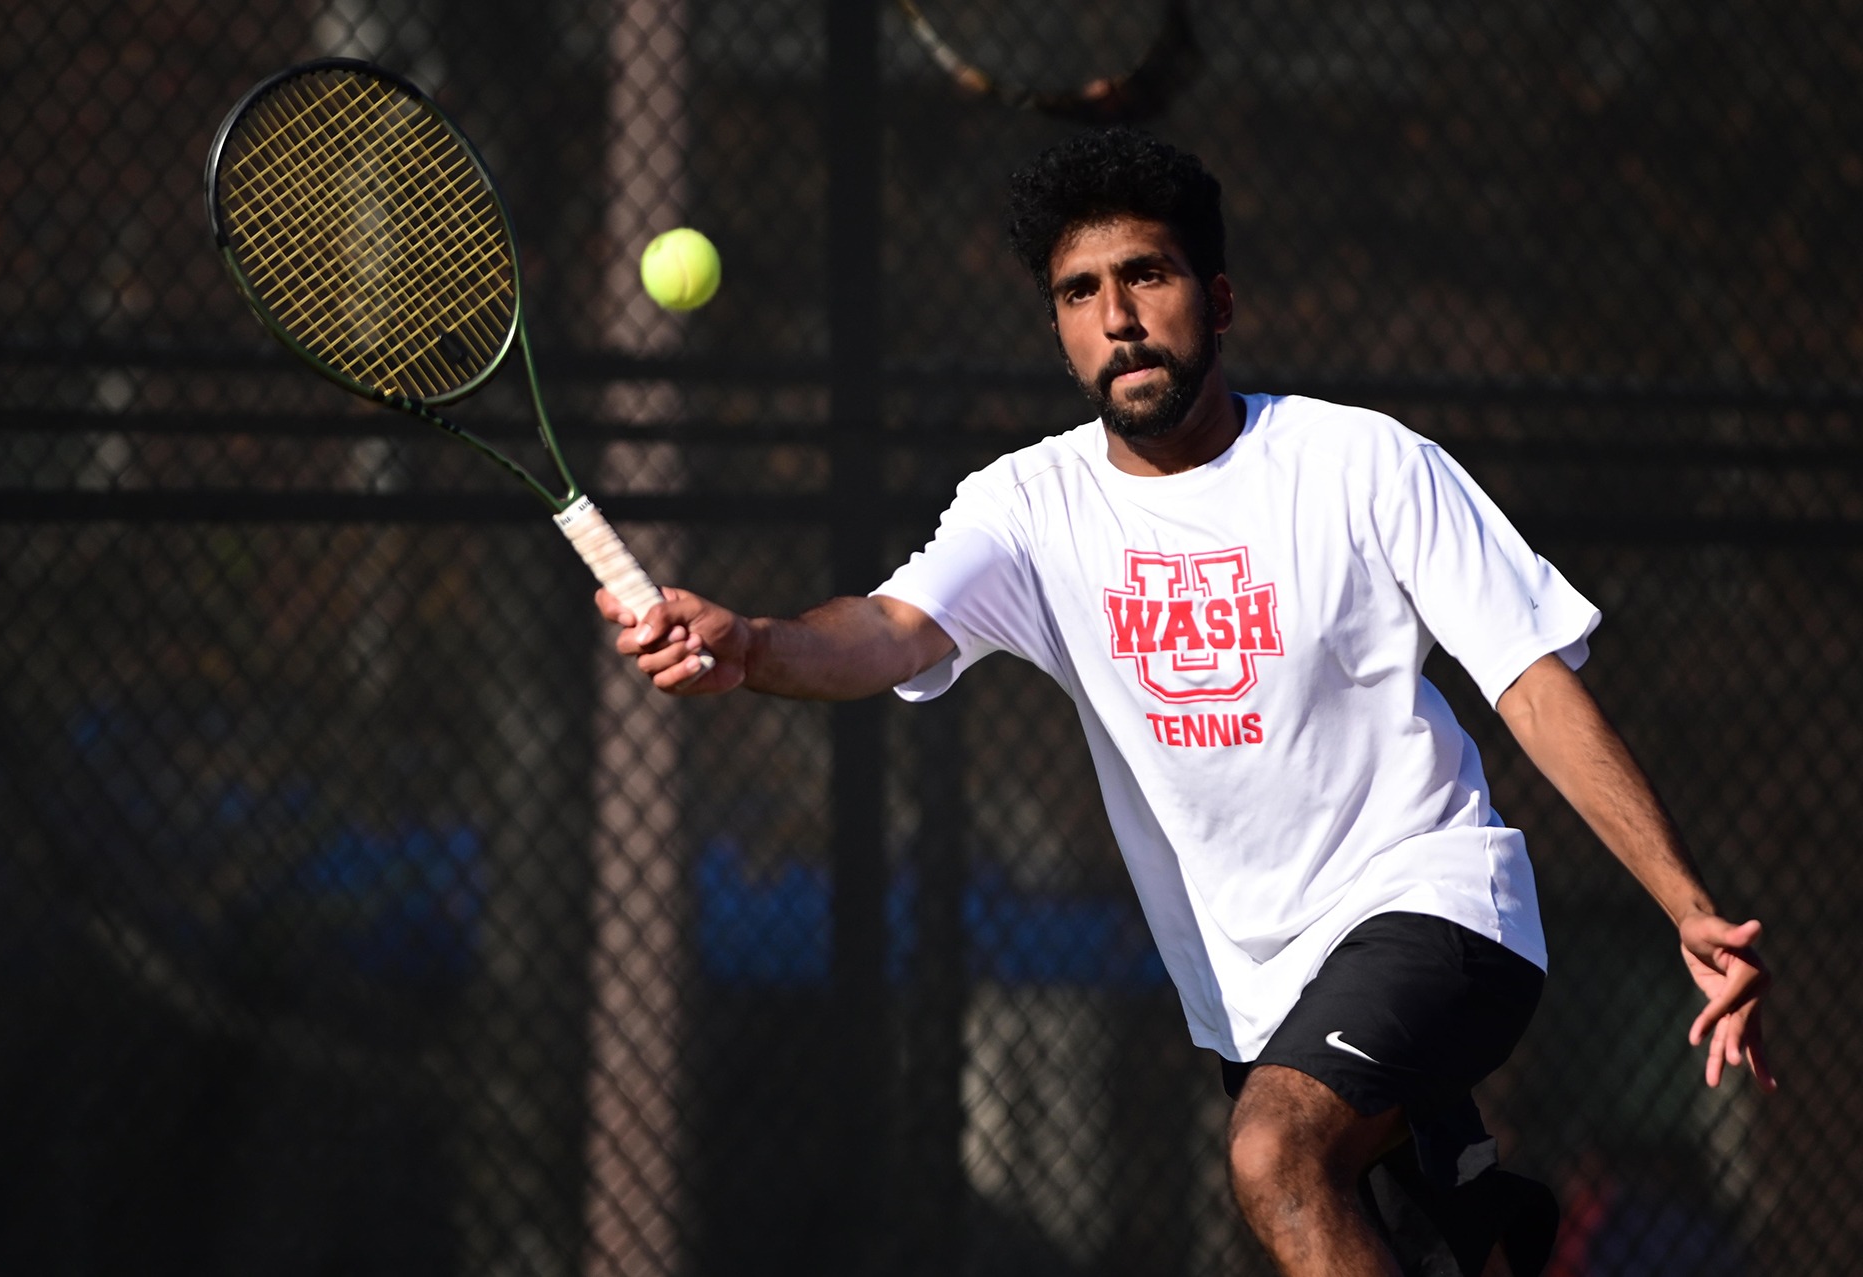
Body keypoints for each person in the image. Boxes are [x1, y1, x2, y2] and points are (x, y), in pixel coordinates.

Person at [595, 128, 1775, 1276]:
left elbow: (1530, 684)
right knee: (1401, 1227)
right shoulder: (1029, 506)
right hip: (1253, 991)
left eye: (1146, 275)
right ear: (1059, 330)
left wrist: (1684, 902)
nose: (1117, 314)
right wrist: (750, 641)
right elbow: (889, 628)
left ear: (1216, 299)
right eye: (1079, 291)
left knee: (1274, 1154)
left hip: (1438, 909)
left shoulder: (1362, 463)